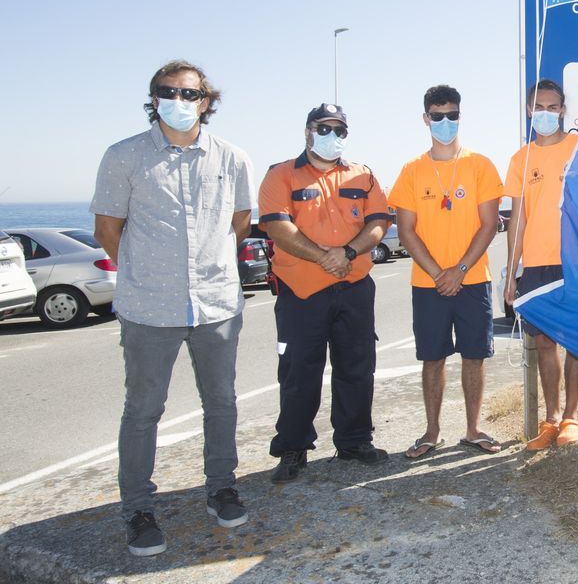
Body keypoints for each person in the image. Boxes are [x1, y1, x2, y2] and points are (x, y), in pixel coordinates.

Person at [92, 60, 255, 556]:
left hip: (216, 304)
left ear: (206, 101)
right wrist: (146, 274)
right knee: (143, 411)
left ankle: (221, 488)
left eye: (189, 94)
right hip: (148, 308)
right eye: (168, 92)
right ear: (153, 98)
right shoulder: (125, 157)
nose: (178, 101)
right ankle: (138, 509)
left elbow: (240, 222)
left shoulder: (232, 158)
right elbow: (107, 229)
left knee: (221, 402)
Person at [257, 104, 392, 482]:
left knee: (357, 367)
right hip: (301, 292)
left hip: (354, 288)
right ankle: (293, 448)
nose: (333, 135)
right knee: (299, 372)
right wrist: (324, 258)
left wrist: (348, 253)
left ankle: (354, 441)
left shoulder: (363, 175)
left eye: (340, 130)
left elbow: (378, 222)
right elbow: (278, 228)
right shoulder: (280, 175)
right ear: (307, 131)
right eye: (324, 127)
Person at [389, 84, 504, 458]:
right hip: (428, 284)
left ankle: (473, 429)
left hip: (473, 280)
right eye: (437, 117)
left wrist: (460, 269)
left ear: (460, 116)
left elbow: (488, 225)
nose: (445, 122)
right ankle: (431, 432)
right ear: (426, 119)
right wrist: (441, 273)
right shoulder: (411, 171)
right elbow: (405, 231)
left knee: (474, 356)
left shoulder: (480, 165)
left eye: (451, 115)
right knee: (432, 358)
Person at [504, 79, 578, 449]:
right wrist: (511, 271)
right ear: (528, 111)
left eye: (553, 107)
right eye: (539, 107)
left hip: (577, 260)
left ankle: (571, 417)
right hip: (536, 264)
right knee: (545, 342)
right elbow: (517, 220)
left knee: (576, 342)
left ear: (563, 110)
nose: (546, 114)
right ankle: (550, 420)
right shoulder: (521, 160)